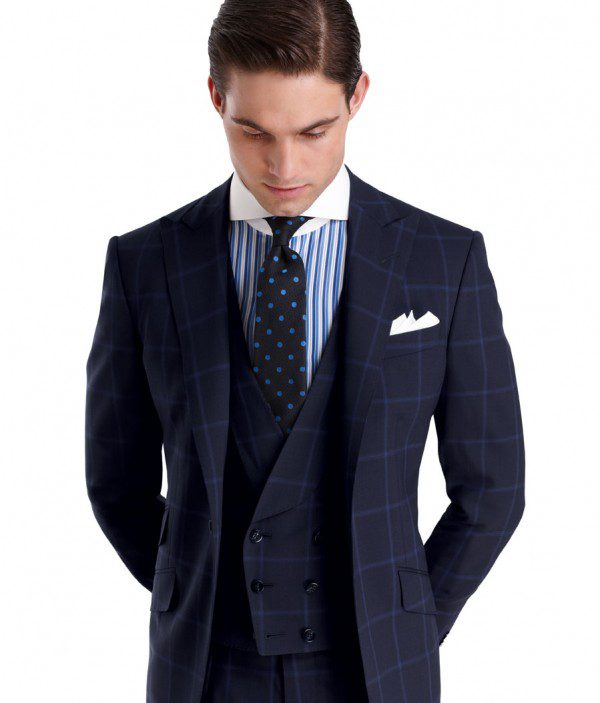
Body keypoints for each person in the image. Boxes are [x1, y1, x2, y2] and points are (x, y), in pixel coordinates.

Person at [85, 1, 525, 701]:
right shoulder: (146, 264)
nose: (284, 165)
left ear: (358, 96)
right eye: (252, 131)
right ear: (215, 97)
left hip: (377, 672)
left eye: (314, 131)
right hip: (204, 671)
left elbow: (493, 488)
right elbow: (116, 483)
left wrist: (406, 620)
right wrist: (193, 595)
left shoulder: (445, 260)